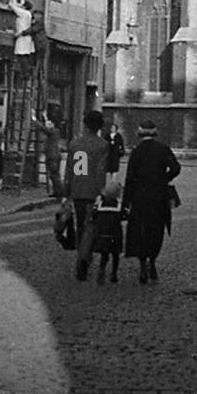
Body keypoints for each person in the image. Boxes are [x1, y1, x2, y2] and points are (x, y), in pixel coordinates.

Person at [122, 119, 181, 285]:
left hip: (140, 198)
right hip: (158, 197)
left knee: (141, 231)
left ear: (140, 134)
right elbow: (176, 167)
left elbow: (130, 179)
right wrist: (164, 178)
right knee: (156, 230)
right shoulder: (163, 149)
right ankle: (152, 262)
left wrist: (126, 204)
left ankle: (142, 266)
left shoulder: (136, 152)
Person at [64, 109, 109, 281]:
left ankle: (82, 255)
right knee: (91, 227)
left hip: (77, 190)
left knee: (80, 226)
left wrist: (66, 192)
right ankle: (83, 259)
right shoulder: (102, 145)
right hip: (92, 191)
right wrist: (101, 192)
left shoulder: (74, 144)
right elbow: (100, 171)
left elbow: (70, 171)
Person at [87, 182, 124, 284]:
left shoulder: (100, 205)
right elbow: (124, 215)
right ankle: (114, 274)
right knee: (115, 256)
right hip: (115, 234)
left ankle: (101, 269)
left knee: (105, 255)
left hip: (103, 234)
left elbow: (93, 216)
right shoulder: (119, 205)